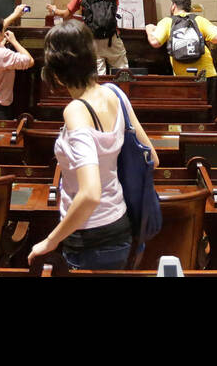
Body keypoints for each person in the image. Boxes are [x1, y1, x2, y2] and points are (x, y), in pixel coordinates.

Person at [27, 20, 158, 270]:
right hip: (120, 226)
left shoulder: (76, 111)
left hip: (89, 238)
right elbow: (152, 157)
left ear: (55, 72)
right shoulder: (115, 93)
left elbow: (90, 193)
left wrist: (50, 241)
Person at [47, 0, 127, 75]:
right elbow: (114, 9)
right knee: (122, 73)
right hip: (112, 37)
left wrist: (55, 10)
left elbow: (66, 15)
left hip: (92, 39)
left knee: (98, 75)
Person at [144, 0, 217, 108]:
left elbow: (155, 43)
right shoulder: (199, 20)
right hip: (206, 74)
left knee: (187, 111)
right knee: (207, 111)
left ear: (174, 6)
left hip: (183, 77)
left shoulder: (167, 22)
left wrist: (149, 29)